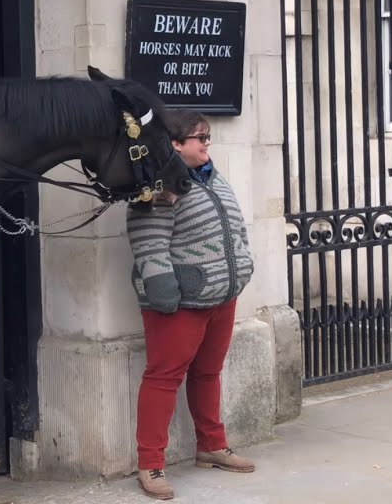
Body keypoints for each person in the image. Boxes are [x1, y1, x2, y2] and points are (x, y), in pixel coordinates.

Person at [126, 111, 257, 500]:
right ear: (175, 144)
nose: (207, 143)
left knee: (208, 372)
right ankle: (150, 464)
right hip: (180, 302)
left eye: (208, 136)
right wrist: (163, 290)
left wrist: (244, 262)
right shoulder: (158, 184)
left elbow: (236, 226)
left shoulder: (211, 176)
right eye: (200, 137)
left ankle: (211, 446)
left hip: (221, 295)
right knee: (163, 377)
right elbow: (148, 239)